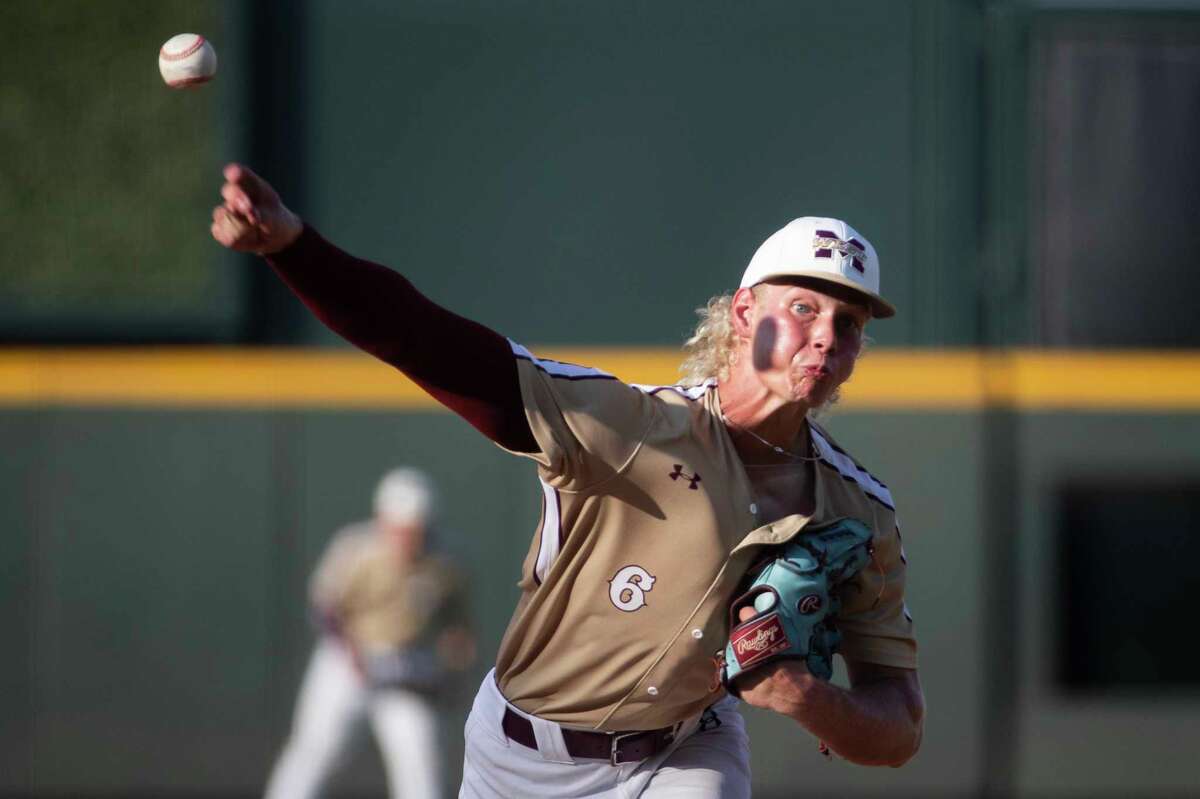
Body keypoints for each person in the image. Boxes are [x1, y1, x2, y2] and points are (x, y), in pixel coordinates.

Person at [214, 163, 924, 799]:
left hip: (684, 750)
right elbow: (427, 339)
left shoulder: (858, 511)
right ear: (744, 313)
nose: (826, 336)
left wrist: (805, 697)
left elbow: (899, 728)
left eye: (848, 323)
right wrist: (295, 250)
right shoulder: (633, 425)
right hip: (519, 756)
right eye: (803, 308)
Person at [264, 467, 474, 799]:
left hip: (406, 667)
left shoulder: (445, 561)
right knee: (315, 750)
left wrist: (452, 668)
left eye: (413, 529)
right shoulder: (356, 548)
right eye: (399, 528)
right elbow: (325, 610)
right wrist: (352, 653)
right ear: (383, 520)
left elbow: (456, 628)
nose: (405, 537)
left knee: (419, 764)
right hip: (347, 661)